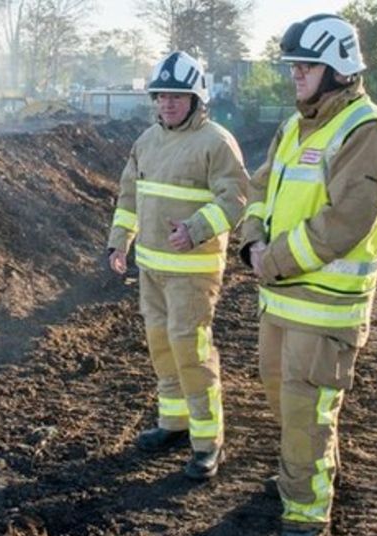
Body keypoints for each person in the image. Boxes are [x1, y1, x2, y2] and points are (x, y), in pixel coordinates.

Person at [238, 14, 377, 536]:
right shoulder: (296, 124)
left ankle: (305, 517)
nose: (296, 75)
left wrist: (274, 259)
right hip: (279, 298)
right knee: (282, 397)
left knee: (307, 409)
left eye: (306, 66)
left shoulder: (365, 130)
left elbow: (347, 220)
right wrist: (251, 239)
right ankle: (301, 470)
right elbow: (260, 186)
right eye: (293, 66)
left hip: (324, 305)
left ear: (338, 68)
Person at [107, 51, 248, 480]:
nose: (167, 103)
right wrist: (119, 243)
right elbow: (128, 196)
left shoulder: (216, 142)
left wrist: (196, 228)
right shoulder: (146, 141)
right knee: (161, 347)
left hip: (193, 272)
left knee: (191, 351)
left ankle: (208, 442)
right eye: (161, 96)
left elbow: (236, 199)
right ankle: (174, 423)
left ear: (196, 99)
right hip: (151, 270)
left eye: (177, 96)